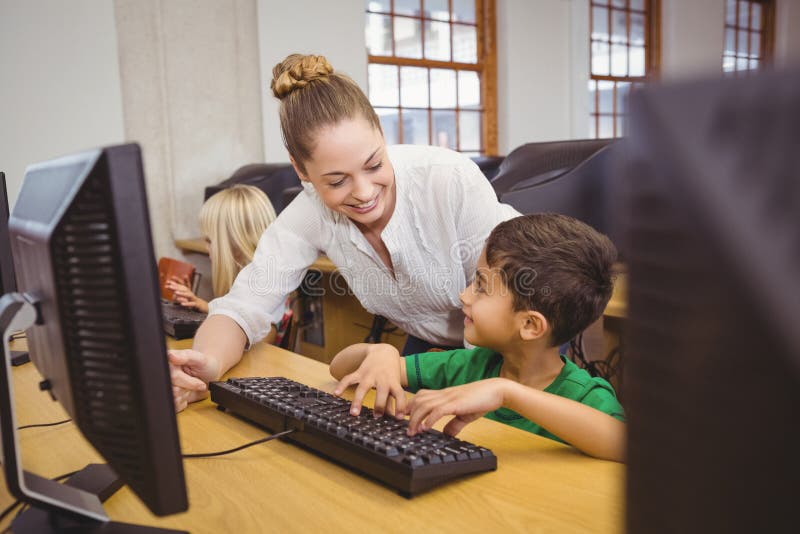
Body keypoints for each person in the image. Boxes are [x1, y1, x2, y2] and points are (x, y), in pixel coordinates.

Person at [168, 53, 519, 412]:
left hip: (515, 333)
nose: (365, 193)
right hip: (434, 343)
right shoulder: (308, 215)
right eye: (337, 181)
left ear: (381, 133)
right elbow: (245, 306)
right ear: (300, 169)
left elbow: (502, 300)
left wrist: (473, 391)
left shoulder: (448, 179)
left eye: (374, 165)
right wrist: (206, 364)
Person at [329, 213, 626, 462]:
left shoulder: (584, 395)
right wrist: (379, 353)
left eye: (481, 287)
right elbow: (339, 369)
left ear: (531, 326)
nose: (464, 295)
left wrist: (506, 392)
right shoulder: (468, 365)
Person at [165, 184, 277, 314]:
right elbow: (236, 315)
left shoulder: (259, 290)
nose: (207, 249)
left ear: (236, 242)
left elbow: (246, 327)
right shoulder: (260, 277)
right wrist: (199, 304)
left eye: (210, 241)